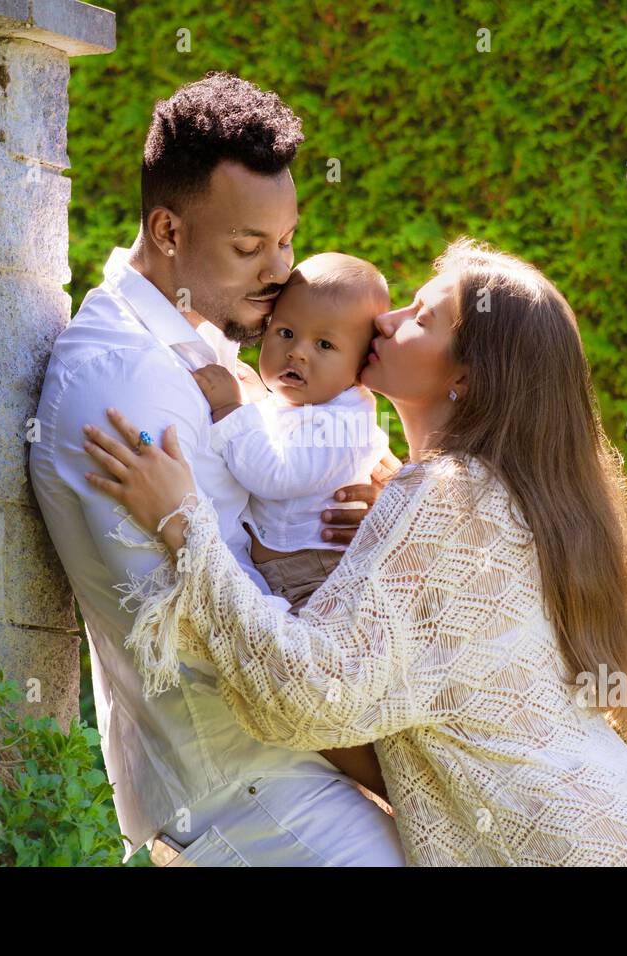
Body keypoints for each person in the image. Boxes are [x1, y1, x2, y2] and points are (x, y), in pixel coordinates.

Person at [81, 237, 627, 866]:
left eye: (421, 317)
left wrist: (183, 522)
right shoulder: (485, 500)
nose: (385, 320)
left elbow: (308, 697)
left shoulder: (448, 497)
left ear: (467, 375)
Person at [30, 72, 405, 867]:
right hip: (250, 801)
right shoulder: (123, 385)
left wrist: (373, 516)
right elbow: (205, 632)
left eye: (287, 240)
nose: (281, 272)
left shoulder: (204, 350)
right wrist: (410, 771)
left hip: (296, 766)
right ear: (167, 230)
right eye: (249, 247)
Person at [185, 252, 394, 803]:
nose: (298, 351)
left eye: (325, 345)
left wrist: (233, 410)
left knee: (308, 695)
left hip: (315, 582)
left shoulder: (346, 422)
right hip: (291, 577)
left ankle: (385, 788)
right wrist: (255, 398)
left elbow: (272, 473)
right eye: (285, 332)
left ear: (360, 365)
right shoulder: (298, 399)